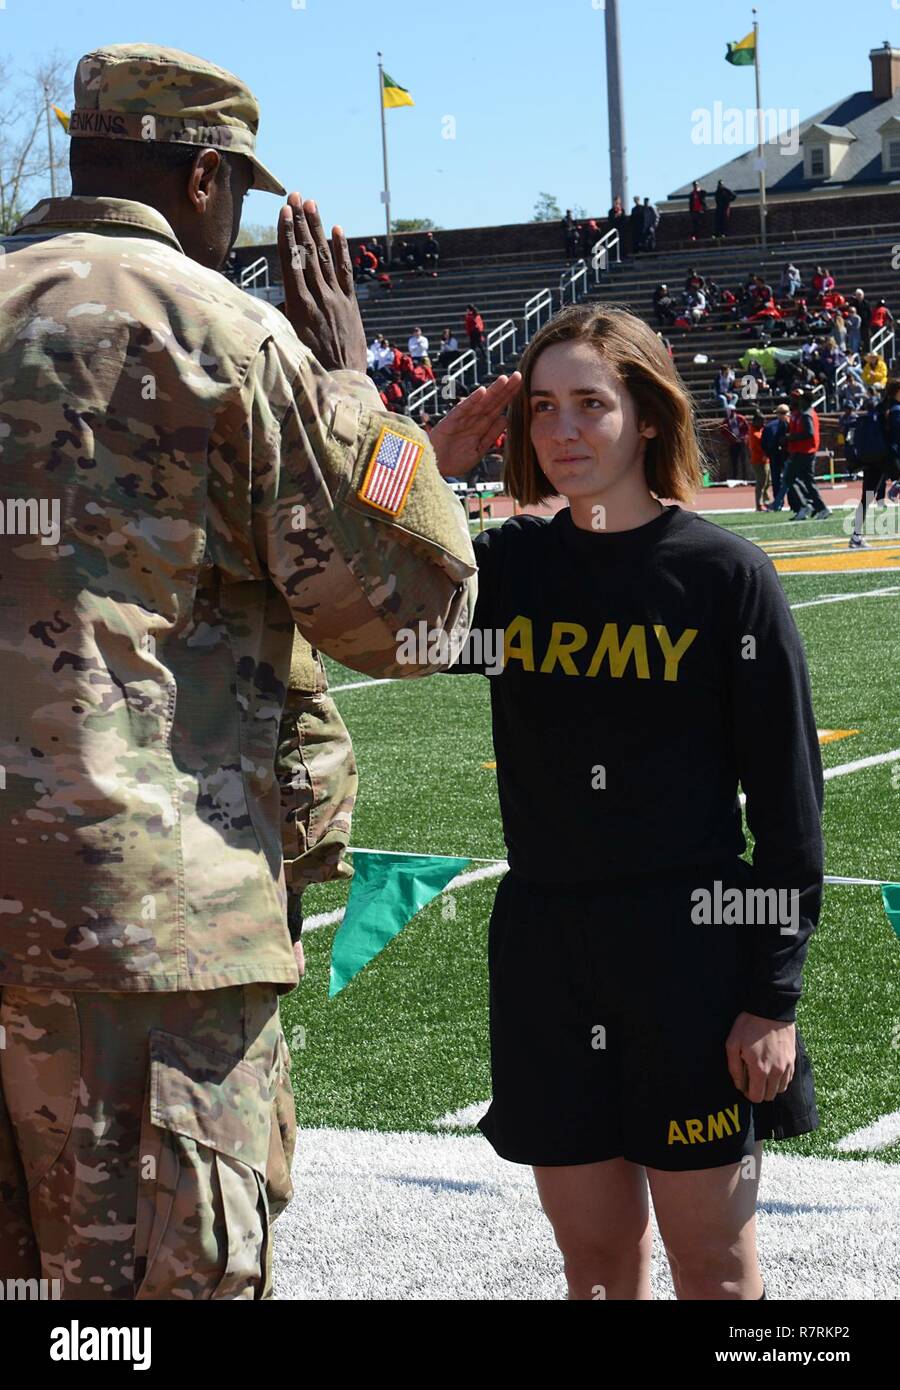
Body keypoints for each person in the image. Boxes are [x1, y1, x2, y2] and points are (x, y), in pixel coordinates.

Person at [0, 40, 523, 1302]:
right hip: (148, 940)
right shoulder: (228, 339)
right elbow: (411, 619)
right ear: (203, 180)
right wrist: (353, 392)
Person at [443, 302, 824, 1302]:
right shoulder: (510, 572)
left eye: (592, 406)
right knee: (598, 1267)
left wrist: (770, 997)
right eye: (542, 410)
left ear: (645, 417)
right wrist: (423, 468)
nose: (564, 433)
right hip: (545, 950)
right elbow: (380, 620)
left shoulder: (723, 576)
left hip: (690, 954)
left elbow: (788, 808)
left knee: (715, 1268)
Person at [847, 379, 900, 549]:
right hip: (890, 459)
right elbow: (896, 441)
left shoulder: (880, 407)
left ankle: (855, 536)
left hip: (873, 459)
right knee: (868, 497)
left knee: (866, 498)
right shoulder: (896, 410)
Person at [783, 390, 831, 520]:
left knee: (789, 478)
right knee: (806, 481)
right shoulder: (807, 413)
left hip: (804, 452)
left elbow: (809, 433)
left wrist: (791, 438)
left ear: (804, 401)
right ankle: (818, 507)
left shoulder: (806, 415)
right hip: (804, 451)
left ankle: (807, 506)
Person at [761, 404, 791, 506]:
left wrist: (768, 453)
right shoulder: (791, 424)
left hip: (775, 456)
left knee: (776, 480)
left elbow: (763, 443)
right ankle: (793, 503)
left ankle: (778, 503)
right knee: (790, 480)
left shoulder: (769, 426)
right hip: (787, 455)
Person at [748, 410, 772, 511]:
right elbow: (760, 447)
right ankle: (759, 504)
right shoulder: (754, 433)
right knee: (761, 482)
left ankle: (767, 501)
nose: (763, 423)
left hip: (765, 460)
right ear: (756, 421)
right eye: (761, 421)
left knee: (768, 481)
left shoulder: (761, 430)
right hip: (758, 461)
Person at [465, 303, 488, 372]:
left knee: (474, 346)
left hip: (474, 333)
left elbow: (468, 325)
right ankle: (483, 356)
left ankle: (478, 357)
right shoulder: (476, 315)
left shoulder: (470, 316)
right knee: (478, 345)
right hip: (476, 332)